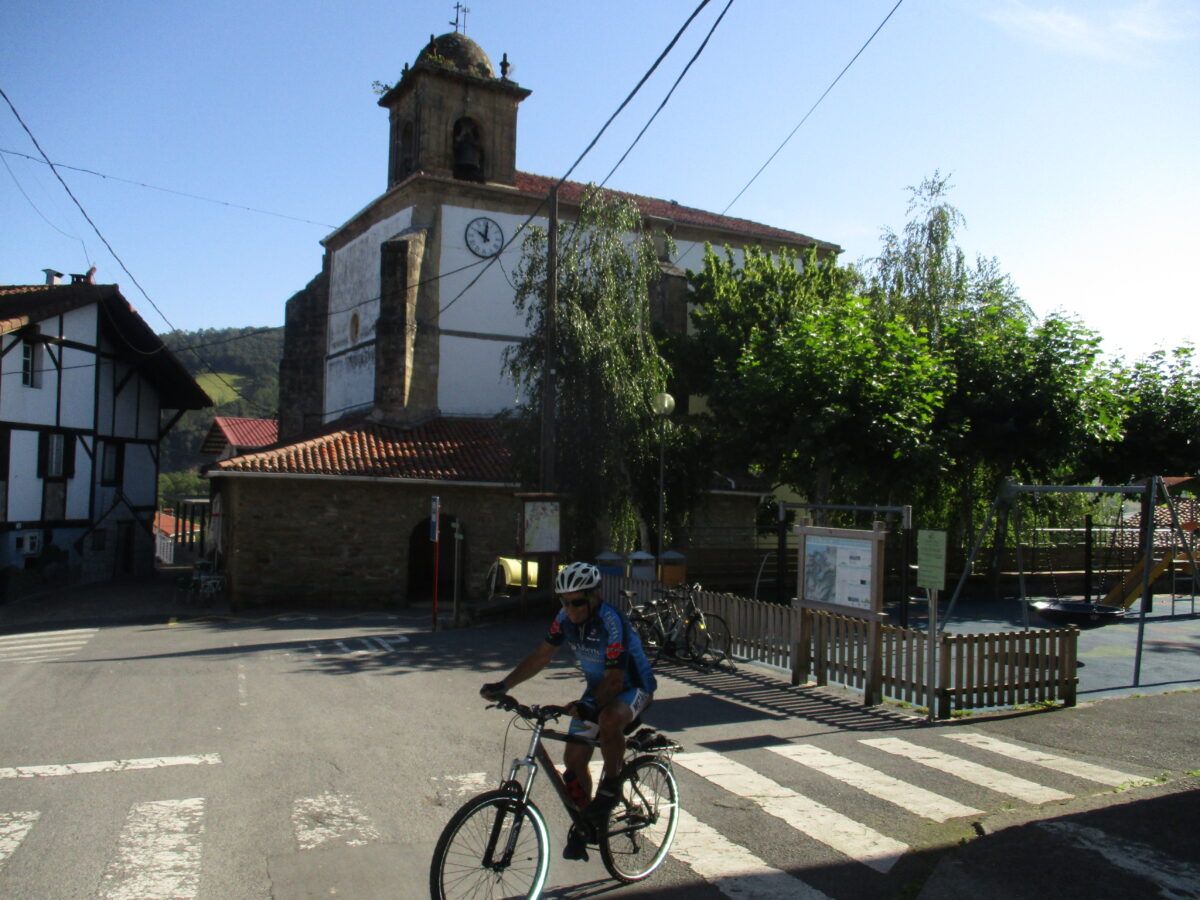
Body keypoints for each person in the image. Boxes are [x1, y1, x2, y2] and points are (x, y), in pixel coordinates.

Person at [480, 561, 656, 858]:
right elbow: (542, 655)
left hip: (632, 686)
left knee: (608, 718)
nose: (570, 609)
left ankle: (611, 787)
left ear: (593, 596)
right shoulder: (564, 618)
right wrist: (505, 685)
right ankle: (589, 820)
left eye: (576, 602)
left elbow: (614, 680)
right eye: (564, 602)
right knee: (573, 761)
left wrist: (588, 704)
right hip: (598, 689)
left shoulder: (612, 622)